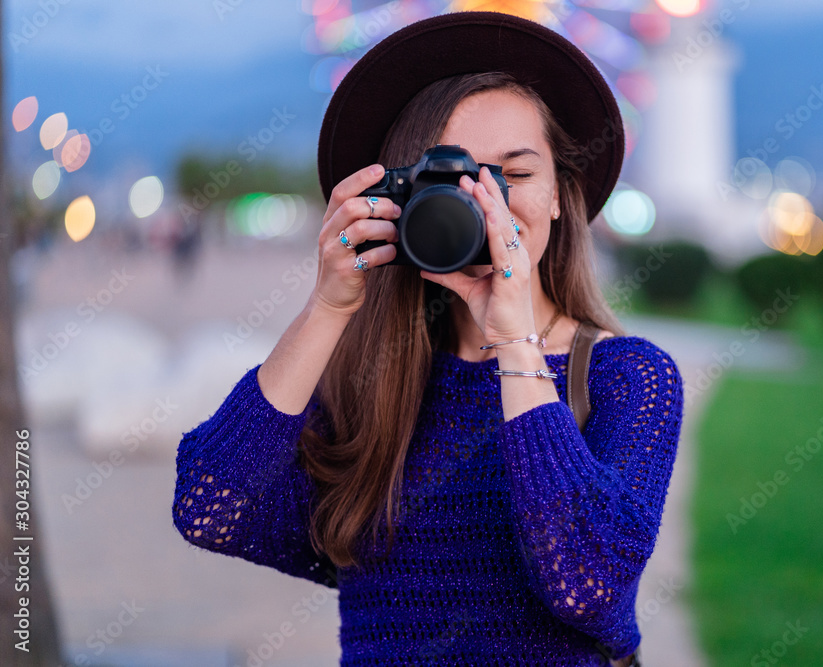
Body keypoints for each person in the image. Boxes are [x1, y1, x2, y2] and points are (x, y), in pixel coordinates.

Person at [172, 11, 682, 665]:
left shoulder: (628, 377)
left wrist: (514, 338)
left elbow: (588, 583)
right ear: (402, 198)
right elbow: (209, 506)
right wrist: (328, 306)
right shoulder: (369, 382)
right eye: (456, 181)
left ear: (560, 194)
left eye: (515, 175)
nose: (486, 204)